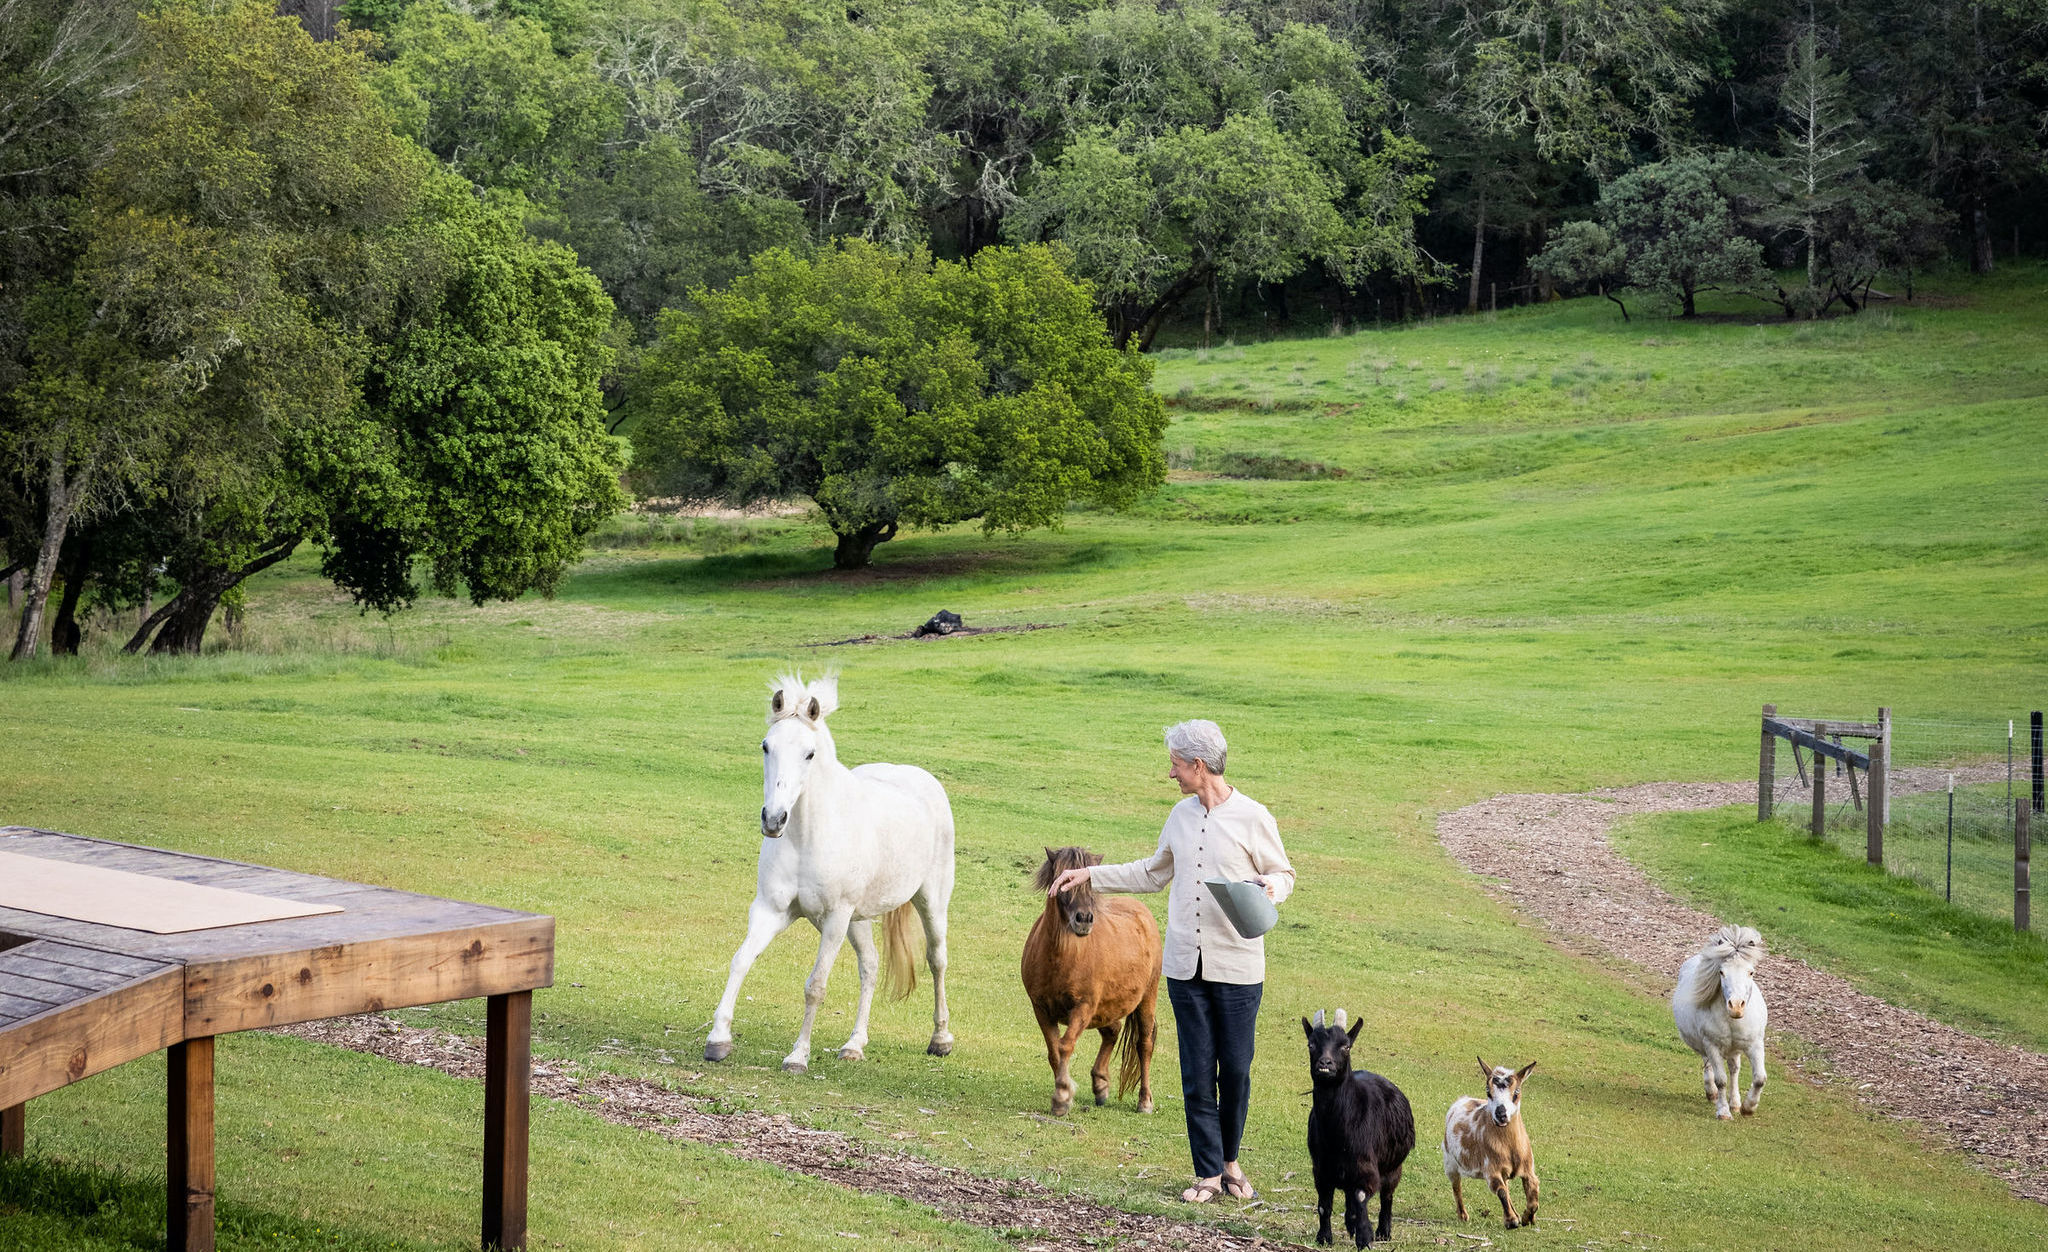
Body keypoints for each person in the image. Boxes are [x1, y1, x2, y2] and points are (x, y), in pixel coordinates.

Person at [1047, 719, 1295, 1204]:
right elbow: (1152, 872)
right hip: (1186, 967)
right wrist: (1087, 873)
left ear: (1199, 766)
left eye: (1176, 765)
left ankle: (1231, 1163)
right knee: (1196, 1071)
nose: (1171, 774)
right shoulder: (1180, 817)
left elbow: (1284, 872)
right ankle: (1207, 1172)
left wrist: (1272, 888)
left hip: (1239, 968)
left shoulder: (1253, 817)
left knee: (1237, 1069)